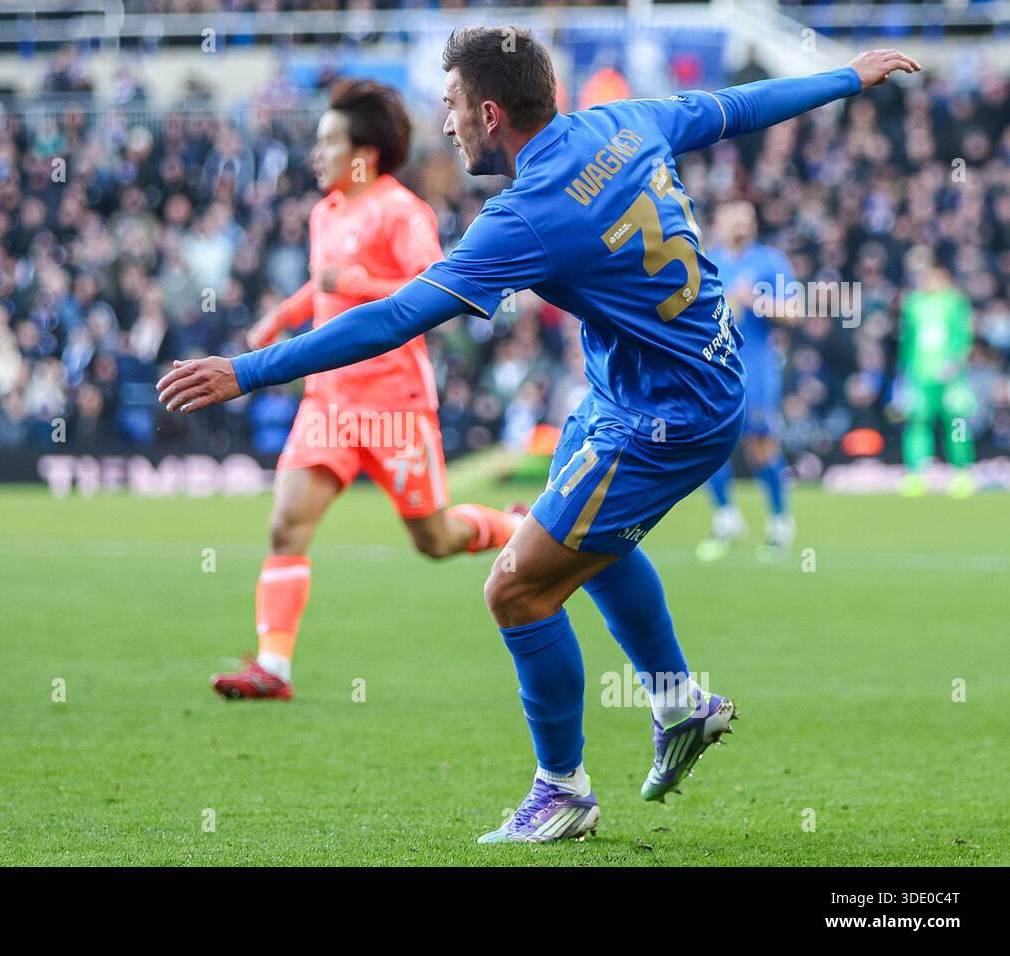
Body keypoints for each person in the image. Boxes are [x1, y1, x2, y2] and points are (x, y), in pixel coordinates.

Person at [158, 29, 919, 843]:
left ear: (490, 112)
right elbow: (735, 107)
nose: (445, 125)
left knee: (517, 590)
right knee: (592, 542)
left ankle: (564, 792)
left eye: (452, 106)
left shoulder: (524, 216)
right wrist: (846, 76)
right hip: (644, 386)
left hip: (669, 416)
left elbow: (396, 315)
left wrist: (248, 369)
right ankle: (676, 704)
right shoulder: (621, 124)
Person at [211, 79, 522, 701]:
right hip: (328, 402)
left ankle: (521, 532)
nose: (316, 154)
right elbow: (323, 287)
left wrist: (353, 279)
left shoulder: (401, 212)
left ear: (365, 154)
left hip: (395, 405)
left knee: (434, 540)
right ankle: (274, 667)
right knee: (285, 527)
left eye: (329, 141)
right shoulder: (323, 213)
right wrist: (282, 317)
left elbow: (435, 291)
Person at [697, 199, 799, 561]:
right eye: (735, 216)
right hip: (711, 369)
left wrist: (755, 300)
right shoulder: (706, 262)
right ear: (719, 222)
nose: (742, 223)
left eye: (747, 216)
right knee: (708, 445)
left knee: (760, 444)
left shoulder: (770, 261)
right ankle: (726, 519)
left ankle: (779, 523)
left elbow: (794, 312)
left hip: (755, 365)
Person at [898, 262, 977, 497]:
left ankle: (962, 471)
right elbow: (907, 340)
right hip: (920, 375)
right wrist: (905, 369)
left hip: (951, 376)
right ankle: (915, 474)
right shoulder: (913, 303)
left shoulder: (955, 302)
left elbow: (964, 336)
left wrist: (956, 361)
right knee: (917, 423)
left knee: (957, 423)